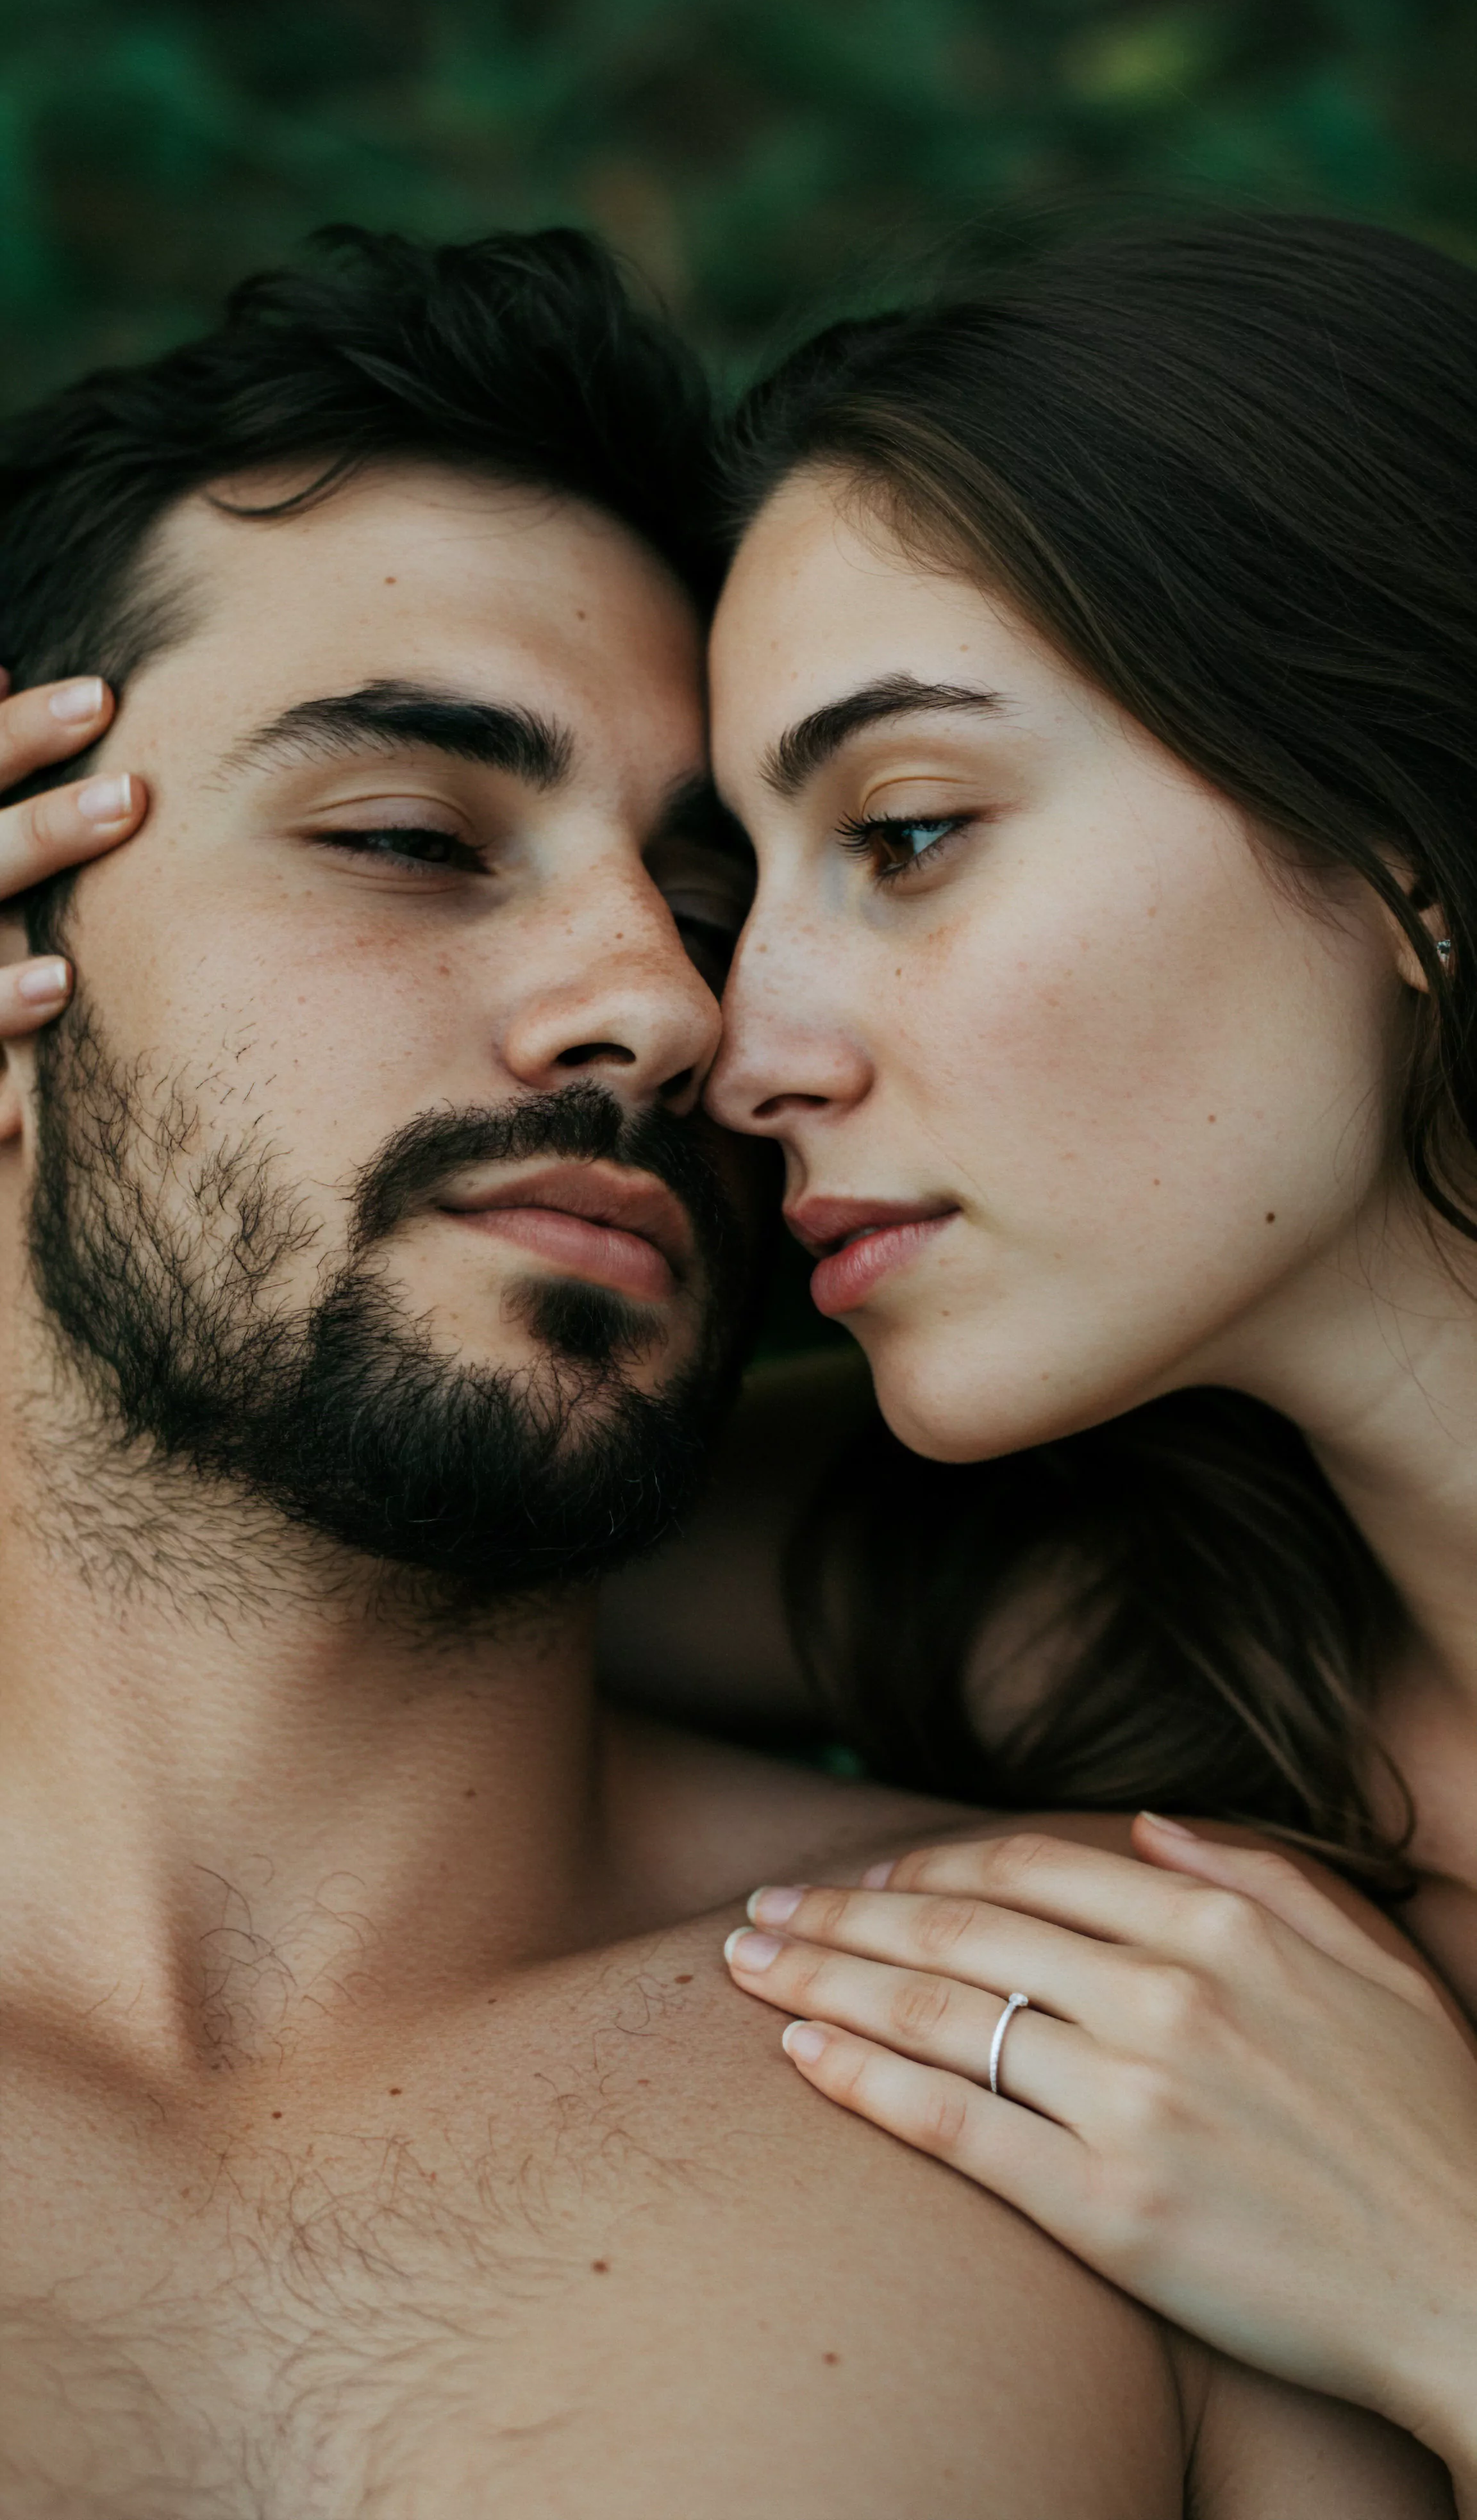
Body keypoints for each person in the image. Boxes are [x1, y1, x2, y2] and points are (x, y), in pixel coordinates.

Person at [4, 224, 1443, 2517]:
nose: (689, 1020)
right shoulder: (1154, 1829)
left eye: (863, 854)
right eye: (408, 839)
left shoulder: (1162, 2082)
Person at [690, 212, 1477, 2501]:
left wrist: (1446, 2283)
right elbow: (205, 1558)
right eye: (742, 904)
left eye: (908, 836)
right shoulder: (1115, 1614)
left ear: (1406, 839)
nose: (748, 1054)